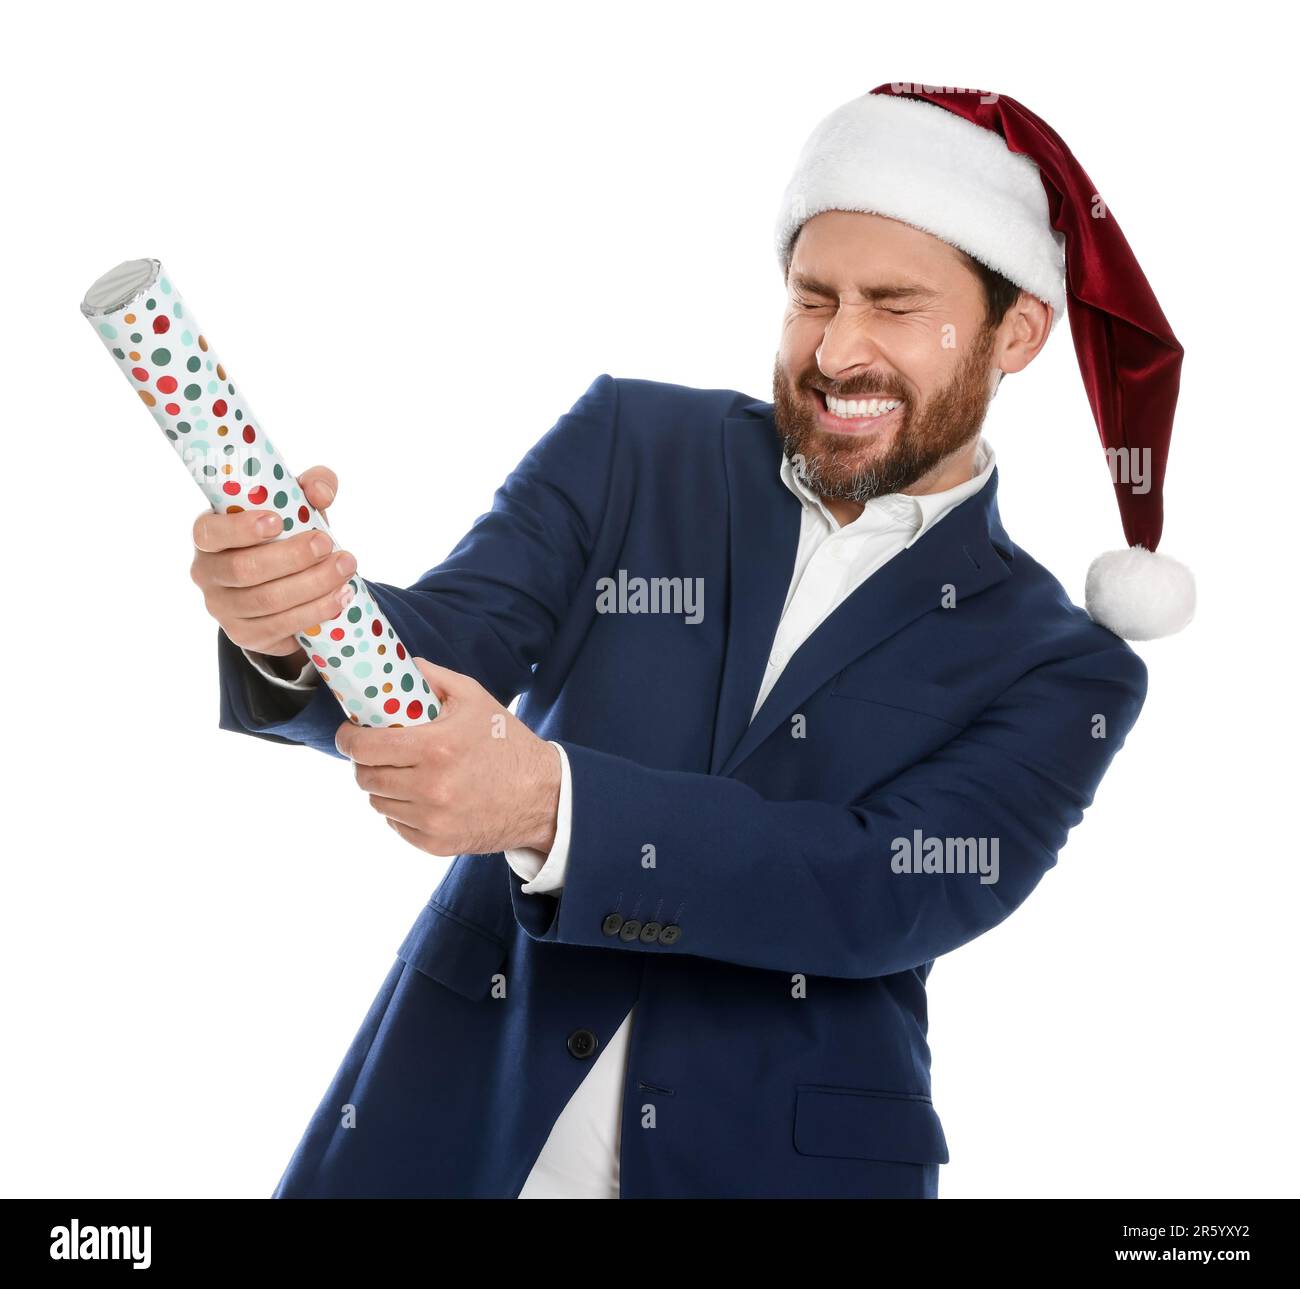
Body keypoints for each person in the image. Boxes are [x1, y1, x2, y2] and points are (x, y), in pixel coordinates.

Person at [191, 85, 1192, 1199]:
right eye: (812, 298)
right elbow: (451, 644)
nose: (837, 348)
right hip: (449, 1122)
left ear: (1016, 332)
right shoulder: (634, 443)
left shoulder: (1063, 664)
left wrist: (549, 804)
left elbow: (875, 890)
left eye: (895, 306)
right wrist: (295, 623)